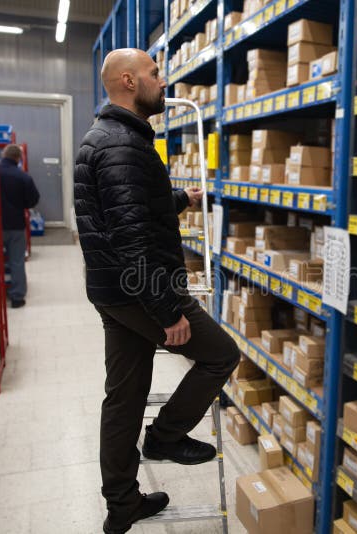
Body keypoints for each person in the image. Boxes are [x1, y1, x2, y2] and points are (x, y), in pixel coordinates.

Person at [74, 48, 240, 534]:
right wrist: (168, 311)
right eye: (154, 73)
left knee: (122, 398)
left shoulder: (108, 138)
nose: (162, 80)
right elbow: (131, 238)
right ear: (128, 81)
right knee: (221, 355)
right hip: (141, 289)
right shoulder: (123, 144)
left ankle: (123, 504)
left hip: (112, 290)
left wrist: (177, 201)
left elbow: (125, 209)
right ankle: (166, 436)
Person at [0, 144, 40, 309]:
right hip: (16, 225)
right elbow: (33, 200)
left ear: (3, 155)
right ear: (18, 158)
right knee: (16, 261)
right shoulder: (23, 177)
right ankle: (17, 298)